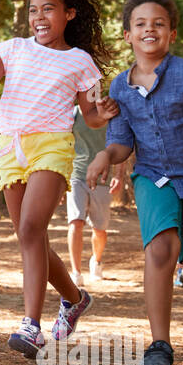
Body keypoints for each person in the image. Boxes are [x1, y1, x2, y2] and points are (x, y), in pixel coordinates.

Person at [0, 0, 118, 360]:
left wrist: (105, 114)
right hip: (11, 145)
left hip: (52, 144)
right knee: (28, 237)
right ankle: (74, 299)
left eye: (48, 9)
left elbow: (91, 116)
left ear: (69, 14)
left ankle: (30, 327)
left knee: (32, 229)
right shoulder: (12, 49)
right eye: (34, 10)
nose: (39, 17)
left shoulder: (81, 62)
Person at [86, 0, 183, 365]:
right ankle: (160, 344)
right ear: (127, 35)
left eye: (158, 23)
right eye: (140, 24)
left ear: (171, 33)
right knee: (159, 250)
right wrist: (105, 155)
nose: (149, 29)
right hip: (152, 177)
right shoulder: (119, 87)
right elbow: (121, 143)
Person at [67, 106, 118, 285]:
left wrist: (118, 175)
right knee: (76, 222)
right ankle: (76, 272)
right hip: (76, 175)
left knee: (99, 229)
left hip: (102, 177)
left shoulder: (109, 112)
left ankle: (96, 261)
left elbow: (119, 144)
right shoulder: (73, 114)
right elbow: (65, 144)